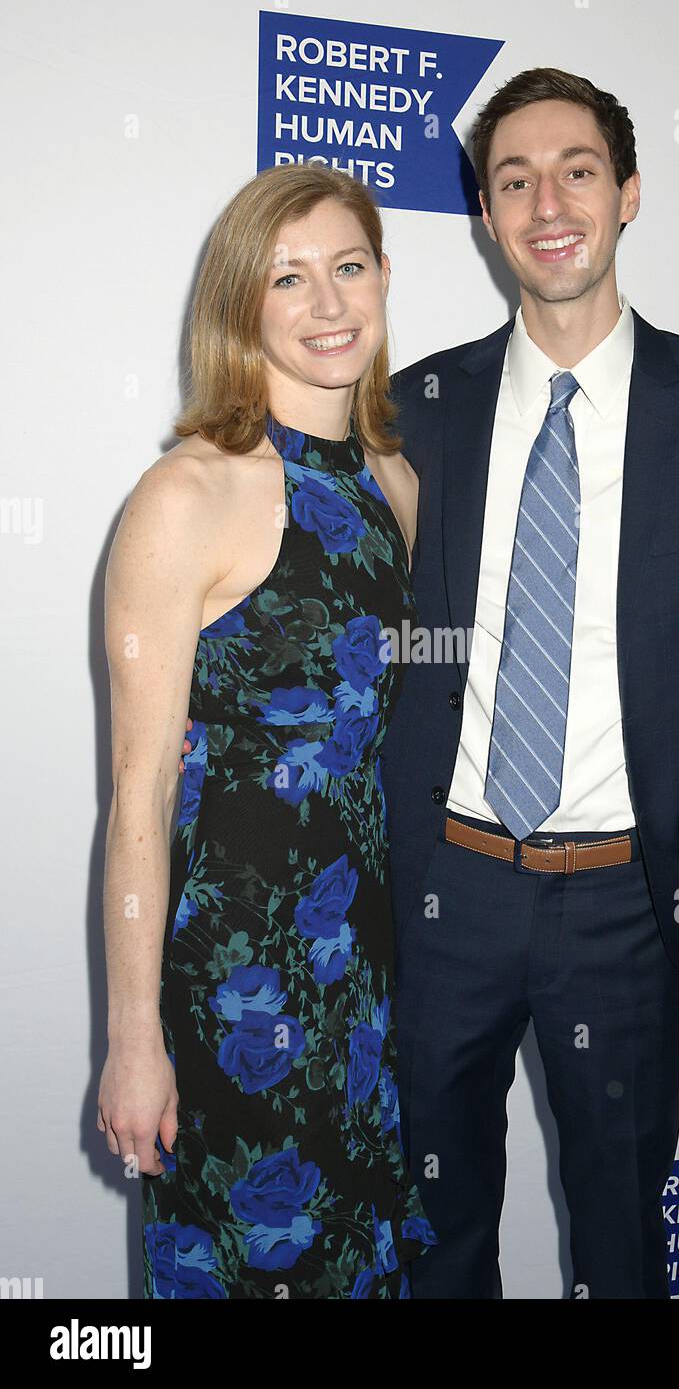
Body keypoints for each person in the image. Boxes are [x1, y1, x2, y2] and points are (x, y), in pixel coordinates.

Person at [379, 68, 679, 1298]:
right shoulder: (412, 410)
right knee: (435, 1240)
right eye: (510, 179)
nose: (545, 202)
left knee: (623, 1242)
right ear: (482, 215)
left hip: (631, 904)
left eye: (575, 169)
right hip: (444, 891)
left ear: (626, 192)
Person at [98, 163, 436, 1299]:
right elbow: (140, 790)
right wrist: (134, 1034)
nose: (328, 304)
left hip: (366, 966)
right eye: (288, 279)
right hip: (232, 977)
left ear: (384, 277)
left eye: (347, 268)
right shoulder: (185, 495)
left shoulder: (393, 482)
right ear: (242, 304)